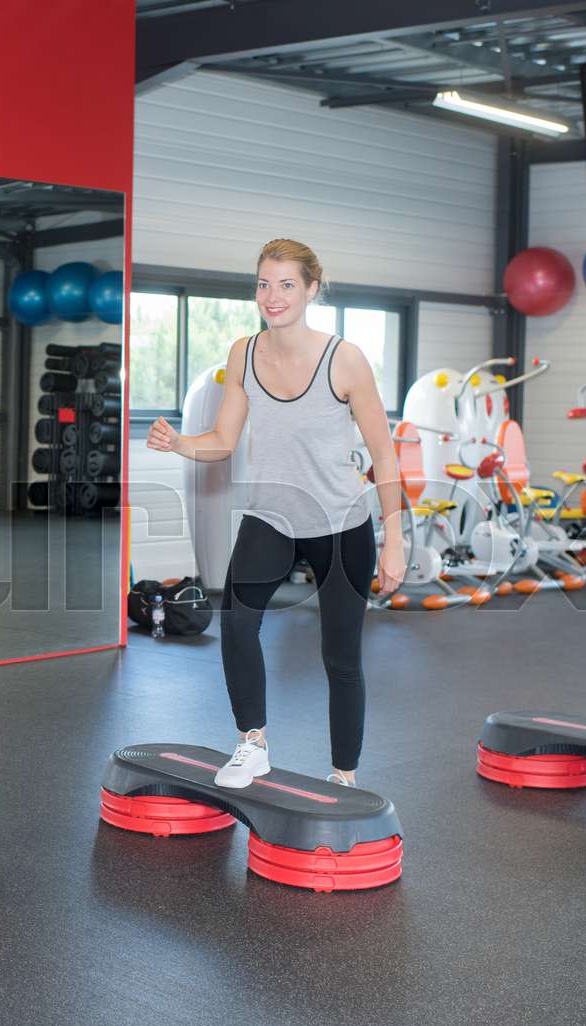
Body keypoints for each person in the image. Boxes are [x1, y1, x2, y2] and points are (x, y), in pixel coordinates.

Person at [147, 239, 405, 788]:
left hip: (340, 524)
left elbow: (384, 454)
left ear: (311, 289)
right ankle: (252, 743)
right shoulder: (243, 352)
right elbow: (222, 439)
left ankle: (343, 777)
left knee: (340, 657)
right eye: (264, 284)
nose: (273, 296)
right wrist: (179, 442)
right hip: (270, 517)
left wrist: (396, 540)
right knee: (238, 624)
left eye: (287, 284)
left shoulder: (345, 360)